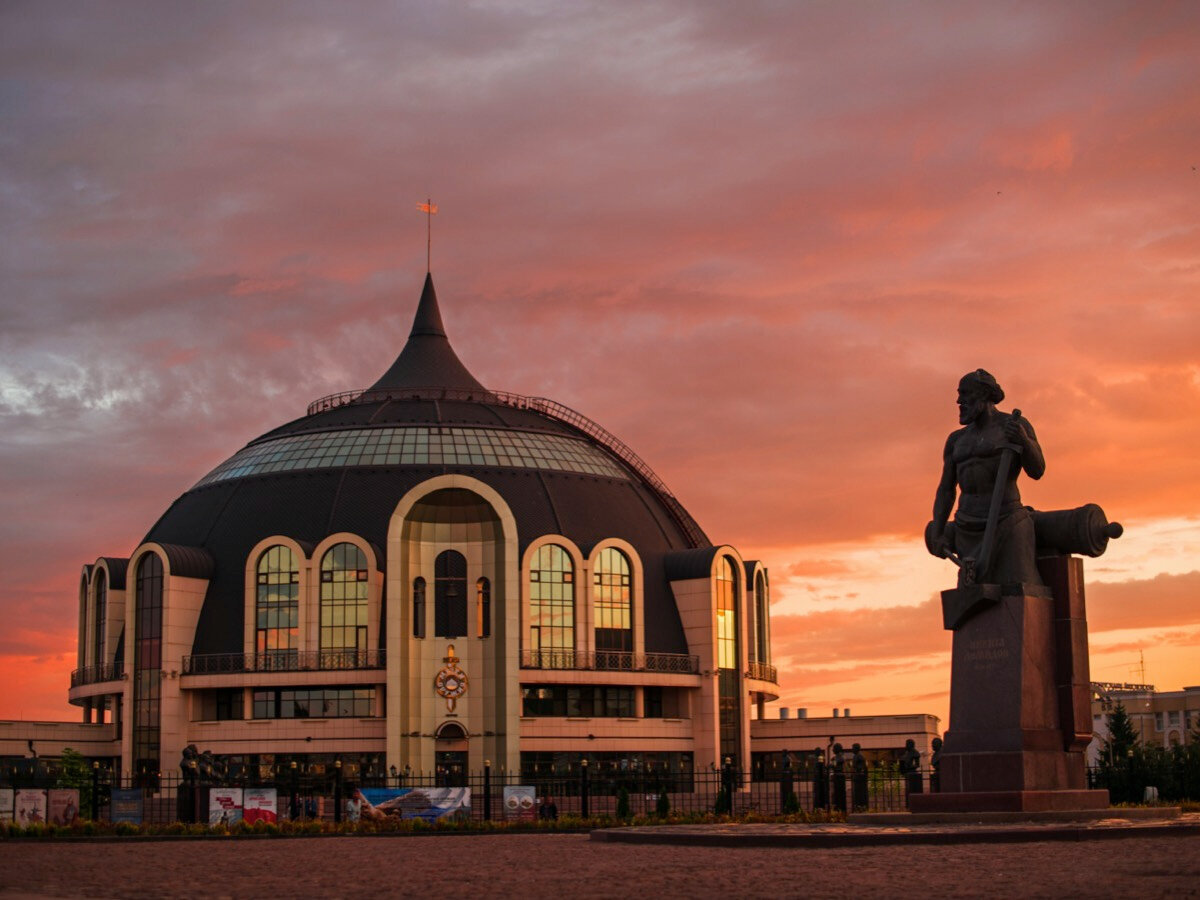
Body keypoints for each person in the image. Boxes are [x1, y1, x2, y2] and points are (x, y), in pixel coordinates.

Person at [927, 369, 1045, 587]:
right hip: (967, 526)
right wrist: (938, 531)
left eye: (965, 394)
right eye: (959, 394)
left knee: (1019, 589)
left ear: (983, 395)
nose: (959, 401)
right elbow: (946, 489)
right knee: (971, 597)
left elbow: (1037, 470)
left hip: (1006, 520)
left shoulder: (1013, 426)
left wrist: (1023, 440)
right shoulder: (956, 440)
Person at [851, 744, 868, 812]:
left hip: (860, 779)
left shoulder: (860, 757)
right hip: (857, 779)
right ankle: (858, 807)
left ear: (856, 749)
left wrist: (857, 770)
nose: (852, 750)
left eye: (853, 748)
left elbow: (862, 768)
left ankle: (861, 808)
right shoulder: (856, 756)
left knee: (860, 795)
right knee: (857, 795)